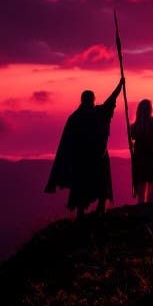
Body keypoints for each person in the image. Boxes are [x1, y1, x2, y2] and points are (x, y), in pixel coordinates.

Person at [46, 78, 124, 218]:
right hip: (98, 157)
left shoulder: (75, 117)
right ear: (93, 99)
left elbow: (67, 142)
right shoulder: (98, 113)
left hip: (80, 160)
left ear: (82, 100)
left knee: (81, 186)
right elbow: (110, 101)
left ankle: (80, 213)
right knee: (102, 182)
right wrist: (120, 85)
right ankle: (101, 209)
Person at [130, 99, 153, 204]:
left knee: (141, 186)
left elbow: (132, 137)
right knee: (152, 184)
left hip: (139, 157)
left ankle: (141, 207)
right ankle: (151, 207)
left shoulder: (134, 126)